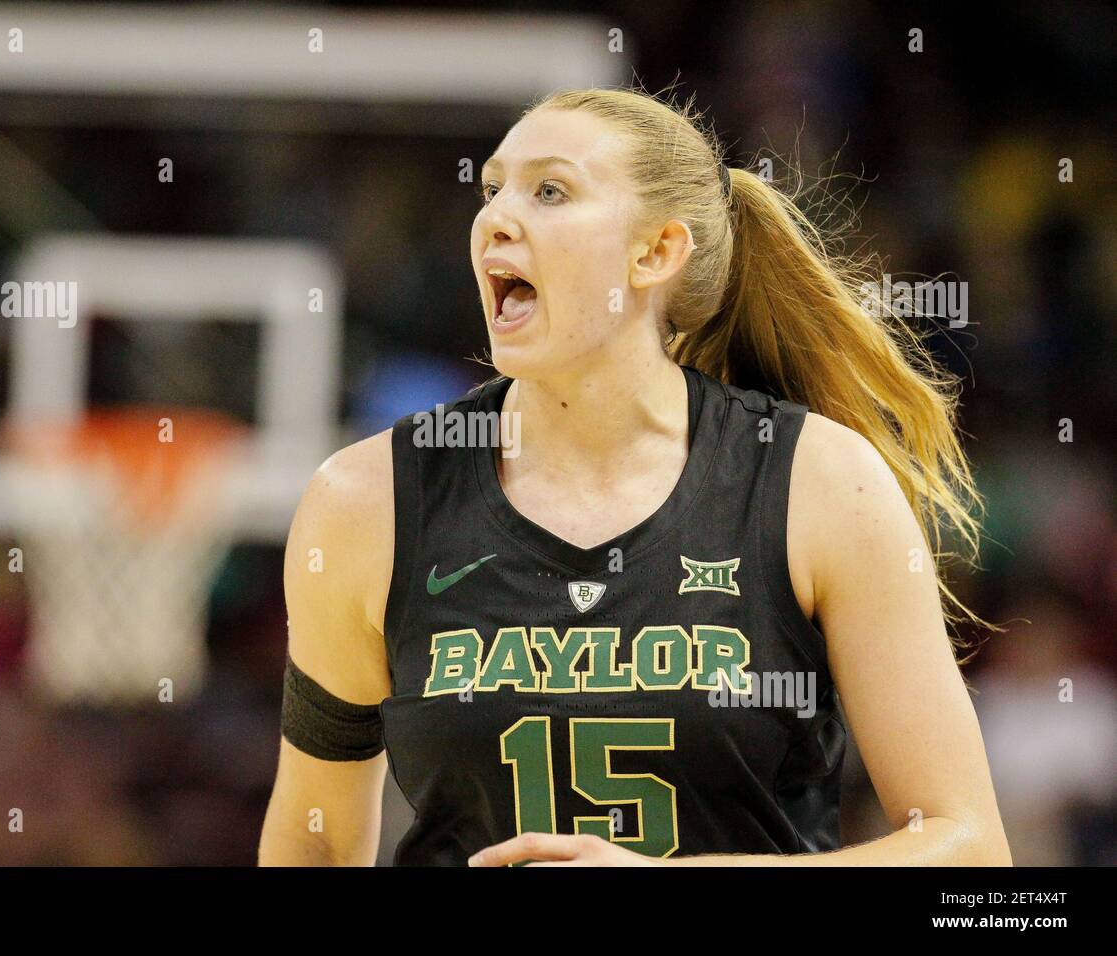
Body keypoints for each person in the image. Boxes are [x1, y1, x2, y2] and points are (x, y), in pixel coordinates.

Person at [258, 87, 1012, 867]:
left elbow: (972, 853)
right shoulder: (364, 502)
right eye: (492, 190)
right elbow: (310, 845)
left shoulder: (819, 483)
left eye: (549, 190)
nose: (495, 219)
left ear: (655, 253)